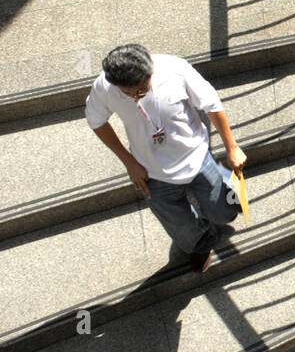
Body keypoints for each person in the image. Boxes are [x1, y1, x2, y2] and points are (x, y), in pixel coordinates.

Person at [85, 43, 247, 272]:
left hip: (195, 155)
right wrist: (129, 162)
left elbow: (211, 103)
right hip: (151, 170)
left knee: (224, 213)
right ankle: (201, 242)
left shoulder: (175, 69)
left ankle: (223, 178)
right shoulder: (105, 86)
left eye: (141, 90)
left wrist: (231, 147)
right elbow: (96, 120)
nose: (135, 97)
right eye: (127, 94)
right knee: (180, 225)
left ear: (150, 71)